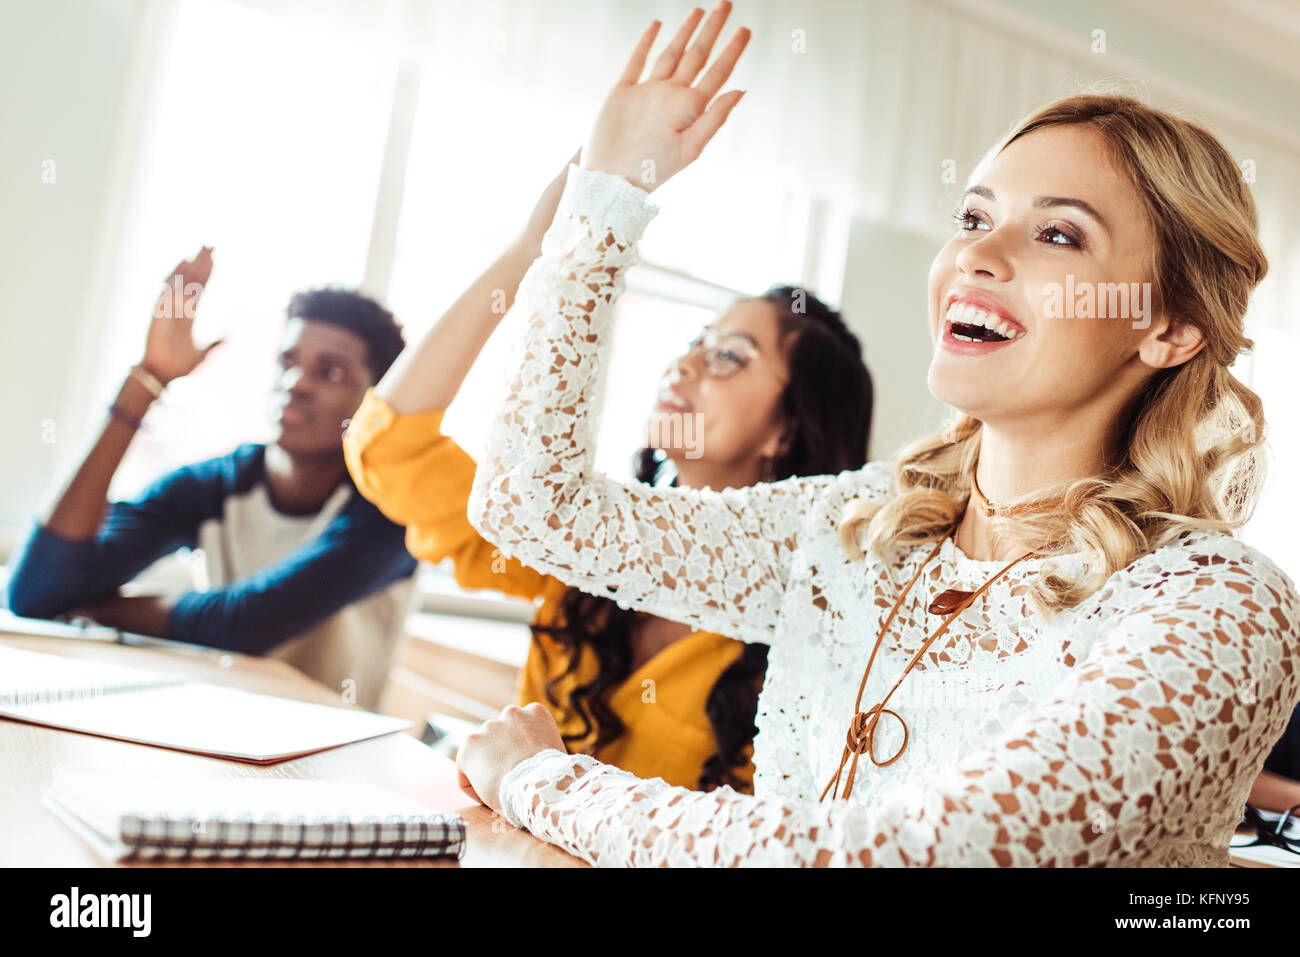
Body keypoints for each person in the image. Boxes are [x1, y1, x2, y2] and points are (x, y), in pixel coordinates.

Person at [454, 2, 1300, 866]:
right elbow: (531, 505)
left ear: (1167, 328)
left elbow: (915, 854)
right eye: (973, 218)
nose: (978, 253)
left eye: (1057, 233)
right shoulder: (865, 527)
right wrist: (607, 194)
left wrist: (544, 780)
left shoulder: (1220, 604)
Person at [343, 155, 872, 792]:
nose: (684, 365)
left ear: (786, 430)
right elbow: (393, 447)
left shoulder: (815, 629)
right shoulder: (581, 539)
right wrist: (530, 253)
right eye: (696, 341)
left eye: (730, 357)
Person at [5, 249, 418, 710]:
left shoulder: (392, 508)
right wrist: (149, 379)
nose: (297, 382)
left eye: (331, 371)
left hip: (344, 755)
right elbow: (35, 592)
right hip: (222, 729)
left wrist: (98, 609)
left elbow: (246, 622)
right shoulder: (214, 485)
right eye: (288, 360)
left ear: (374, 399)